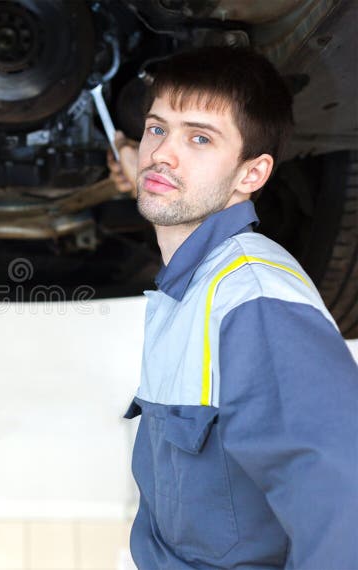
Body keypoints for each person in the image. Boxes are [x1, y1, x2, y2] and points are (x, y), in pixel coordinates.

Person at [109, 46, 358, 568]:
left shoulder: (254, 297)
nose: (163, 154)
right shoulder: (192, 285)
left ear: (252, 175)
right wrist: (134, 163)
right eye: (158, 129)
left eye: (200, 138)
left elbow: (342, 497)